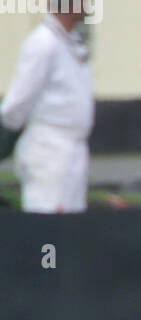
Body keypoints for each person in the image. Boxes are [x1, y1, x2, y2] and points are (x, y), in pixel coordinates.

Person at [0, 8, 94, 215]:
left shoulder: (71, 43)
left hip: (73, 151)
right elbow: (17, 102)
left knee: (71, 231)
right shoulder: (43, 43)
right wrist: (5, 139)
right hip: (49, 151)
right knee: (46, 229)